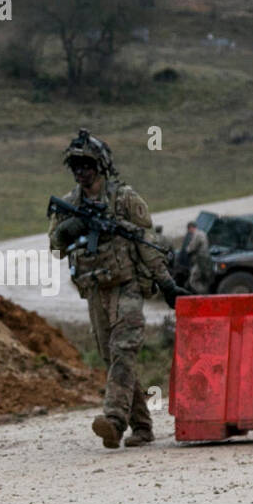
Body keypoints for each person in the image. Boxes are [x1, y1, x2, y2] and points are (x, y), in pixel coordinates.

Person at [48, 129, 187, 449]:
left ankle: (113, 420)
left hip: (128, 288)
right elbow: (55, 249)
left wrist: (166, 283)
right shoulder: (69, 205)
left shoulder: (123, 199)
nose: (82, 172)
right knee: (113, 359)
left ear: (101, 166)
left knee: (124, 351)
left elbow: (145, 244)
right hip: (96, 292)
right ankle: (142, 425)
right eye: (76, 167)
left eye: (87, 165)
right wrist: (71, 228)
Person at [183, 220, 212, 294]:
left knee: (193, 280)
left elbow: (191, 248)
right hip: (205, 259)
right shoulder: (202, 233)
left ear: (191, 228)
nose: (189, 231)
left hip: (200, 260)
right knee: (203, 278)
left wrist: (187, 249)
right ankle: (205, 292)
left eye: (189, 229)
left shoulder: (197, 235)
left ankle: (203, 294)